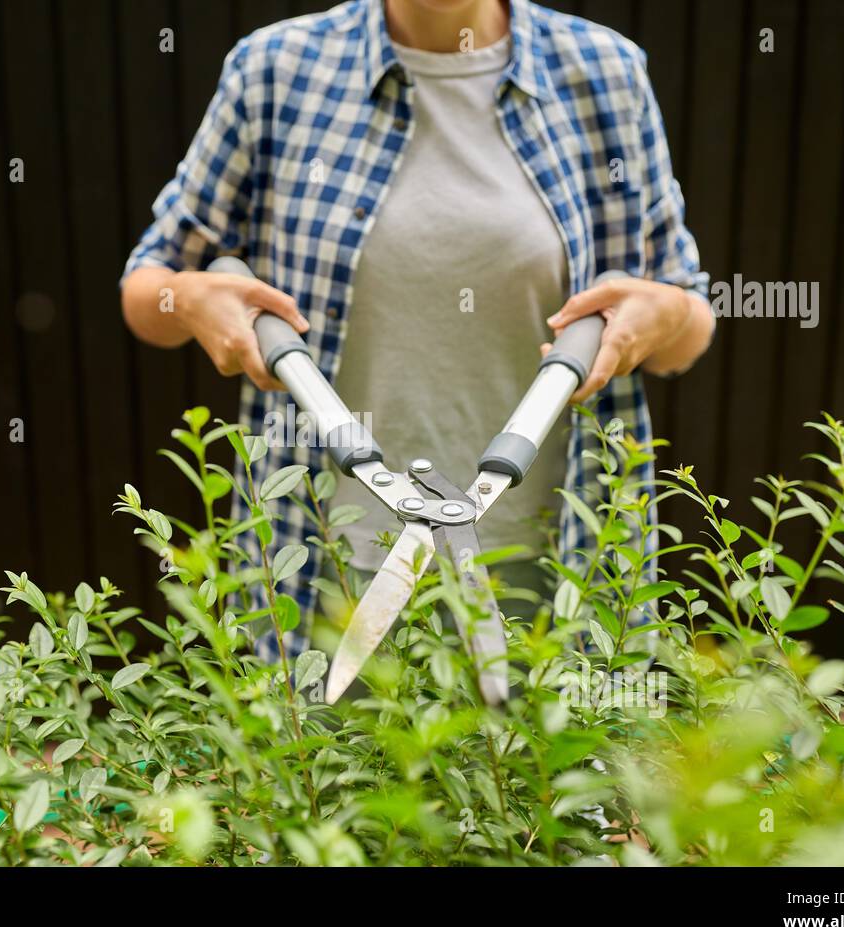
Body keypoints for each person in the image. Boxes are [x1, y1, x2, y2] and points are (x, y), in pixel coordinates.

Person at [120, 0, 714, 660]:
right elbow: (147, 290)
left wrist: (672, 314)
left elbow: (685, 323)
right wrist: (192, 296)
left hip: (560, 562)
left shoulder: (605, 72)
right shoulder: (276, 70)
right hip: (322, 569)